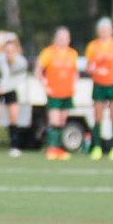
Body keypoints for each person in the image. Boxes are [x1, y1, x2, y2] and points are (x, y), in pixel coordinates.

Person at [84, 17, 113, 161]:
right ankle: (97, 146)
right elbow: (89, 67)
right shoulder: (93, 46)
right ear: (98, 31)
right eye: (102, 30)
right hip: (99, 84)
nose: (104, 32)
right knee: (98, 116)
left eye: (107, 29)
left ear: (111, 31)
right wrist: (97, 72)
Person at [35, 27, 78, 160]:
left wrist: (74, 85)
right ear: (55, 38)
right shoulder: (48, 52)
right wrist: (45, 86)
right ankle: (52, 148)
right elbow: (38, 71)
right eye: (60, 38)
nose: (63, 40)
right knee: (54, 120)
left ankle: (59, 148)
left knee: (62, 120)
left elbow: (75, 72)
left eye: (65, 38)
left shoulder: (72, 53)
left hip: (67, 92)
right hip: (54, 92)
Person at [0, 39, 28, 157]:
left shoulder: (21, 63)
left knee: (14, 116)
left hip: (10, 89)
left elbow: (19, 80)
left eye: (12, 51)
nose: (9, 54)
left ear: (17, 51)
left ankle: (14, 147)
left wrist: (5, 88)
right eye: (7, 51)